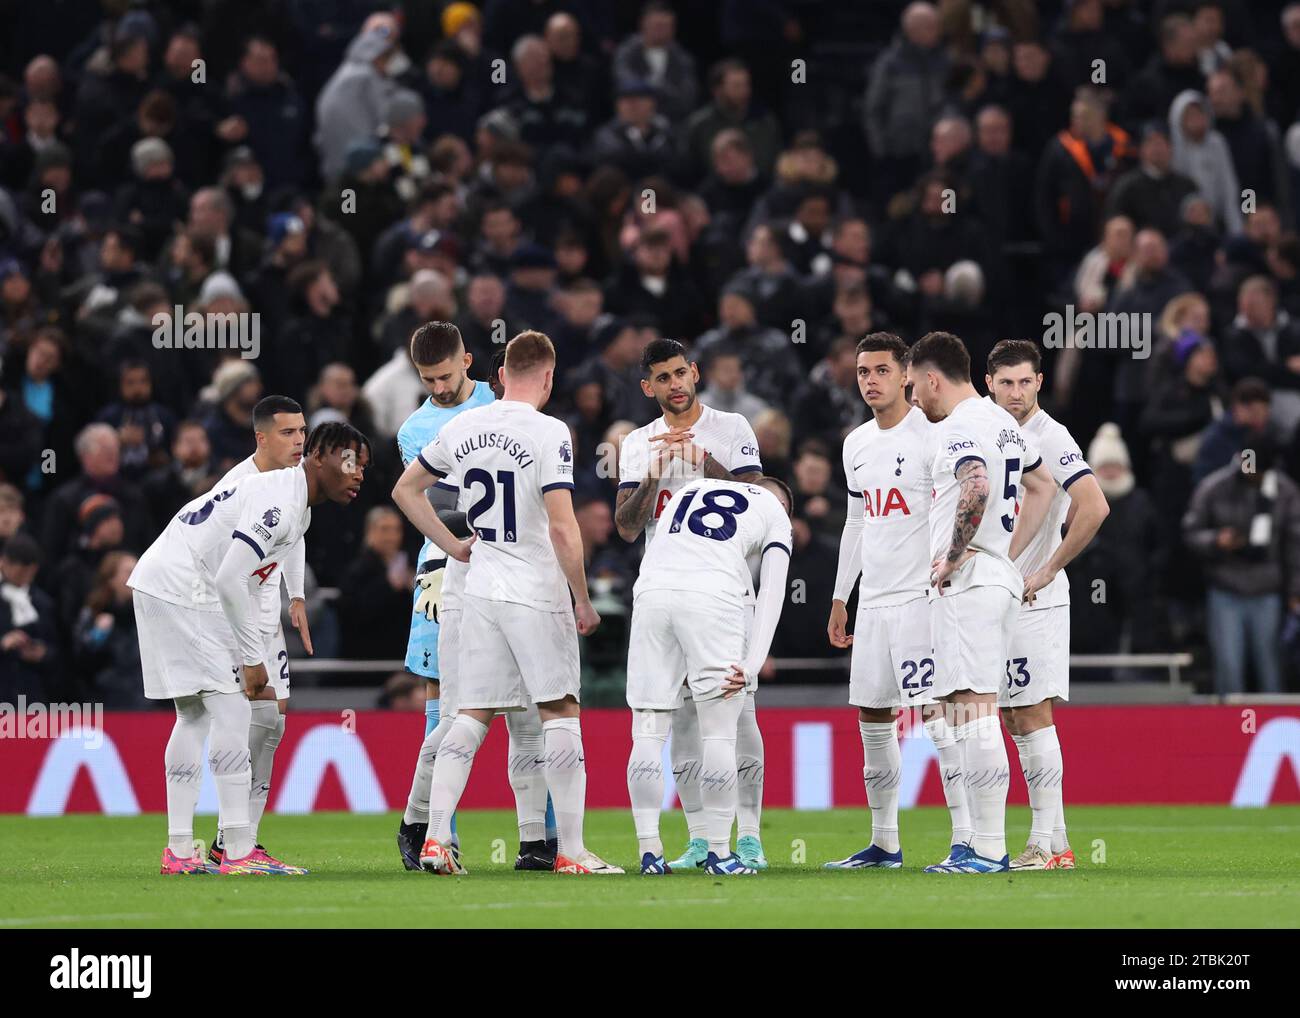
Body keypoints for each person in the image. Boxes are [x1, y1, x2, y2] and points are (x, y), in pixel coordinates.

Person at [392, 330, 620, 875]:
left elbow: (404, 489)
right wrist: (583, 599)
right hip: (533, 587)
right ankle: (571, 850)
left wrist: (451, 546)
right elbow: (564, 527)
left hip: (476, 586)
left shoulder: (463, 426)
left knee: (469, 714)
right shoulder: (549, 431)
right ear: (548, 375)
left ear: (499, 374)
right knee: (559, 711)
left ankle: (436, 840)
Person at [128, 420, 370, 875]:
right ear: (318, 457)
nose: (358, 474)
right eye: (350, 461)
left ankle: (180, 851)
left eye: (363, 466)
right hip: (187, 589)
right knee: (234, 711)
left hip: (159, 581)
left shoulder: (293, 499)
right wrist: (251, 658)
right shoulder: (281, 499)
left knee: (194, 714)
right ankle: (238, 852)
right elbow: (228, 579)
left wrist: (294, 596)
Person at [615, 337, 769, 871]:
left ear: (696, 372)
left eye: (681, 373)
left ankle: (747, 836)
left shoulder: (731, 429)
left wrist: (705, 464)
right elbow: (627, 527)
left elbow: (761, 499)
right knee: (678, 719)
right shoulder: (637, 443)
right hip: (663, 587)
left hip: (726, 589)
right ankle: (702, 838)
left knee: (737, 710)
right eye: (663, 378)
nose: (675, 384)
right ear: (647, 387)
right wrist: (656, 472)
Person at [904, 331, 1056, 873]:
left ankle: (989, 848)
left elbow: (976, 485)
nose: (913, 400)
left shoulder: (962, 427)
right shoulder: (1003, 424)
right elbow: (1042, 487)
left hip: (970, 581)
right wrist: (1006, 554)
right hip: (995, 576)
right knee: (963, 710)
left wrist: (954, 553)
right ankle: (976, 844)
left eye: (912, 387)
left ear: (930, 378)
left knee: (975, 712)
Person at [824, 333, 968, 869]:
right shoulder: (855, 443)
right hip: (874, 602)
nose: (871, 381)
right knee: (873, 716)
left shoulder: (932, 436)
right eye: (863, 372)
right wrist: (842, 597)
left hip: (919, 597)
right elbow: (858, 521)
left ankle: (966, 840)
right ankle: (885, 842)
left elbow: (957, 509)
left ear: (905, 372)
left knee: (935, 715)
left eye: (881, 370)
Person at [626, 474, 793, 875]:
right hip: (712, 596)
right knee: (719, 731)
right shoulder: (776, 514)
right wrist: (752, 664)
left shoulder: (689, 489)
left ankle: (650, 852)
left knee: (648, 730)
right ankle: (720, 851)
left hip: (650, 593)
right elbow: (773, 591)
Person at [985, 340, 1110, 870]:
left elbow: (1094, 505)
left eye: (1024, 382)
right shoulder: (987, 431)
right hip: (999, 596)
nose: (1015, 392)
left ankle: (1042, 843)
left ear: (1040, 383)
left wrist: (1048, 568)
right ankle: (1056, 839)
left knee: (1032, 714)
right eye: (1005, 382)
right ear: (988, 382)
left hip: (1035, 599)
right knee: (1014, 715)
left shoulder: (1050, 436)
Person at [205, 396, 315, 873]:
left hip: (269, 612)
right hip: (235, 615)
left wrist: (296, 595)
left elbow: (295, 533)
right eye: (289, 433)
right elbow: (219, 565)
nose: (299, 442)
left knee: (274, 722)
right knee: (254, 718)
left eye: (303, 432)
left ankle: (240, 841)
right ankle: (234, 843)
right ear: (261, 437)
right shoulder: (239, 486)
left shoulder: (293, 480)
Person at [1183, 441, 1300, 694]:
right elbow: (1191, 532)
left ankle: (1273, 729)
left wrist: (1295, 593)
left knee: (1270, 665)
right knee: (1229, 666)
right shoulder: (1214, 487)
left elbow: (1294, 546)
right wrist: (1216, 540)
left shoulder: (1284, 491)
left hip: (1267, 590)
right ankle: (1229, 729)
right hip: (1226, 588)